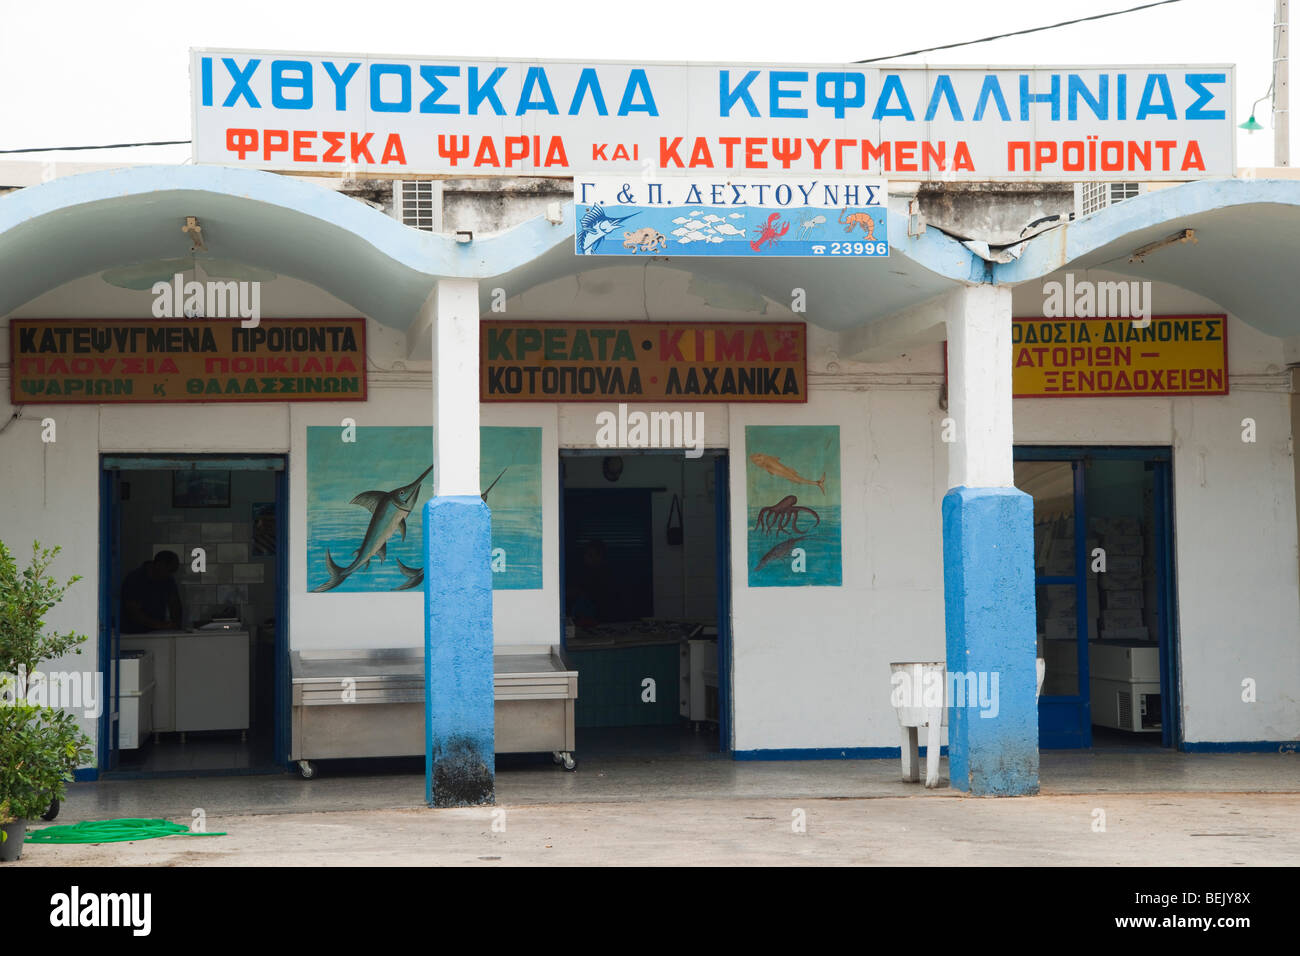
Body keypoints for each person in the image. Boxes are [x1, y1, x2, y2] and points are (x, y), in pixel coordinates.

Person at [121, 551, 183, 633]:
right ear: (159, 565)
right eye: (169, 570)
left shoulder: (168, 580)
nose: (170, 574)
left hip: (156, 633)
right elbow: (133, 611)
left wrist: (175, 625)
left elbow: (174, 604)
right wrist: (159, 625)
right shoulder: (135, 579)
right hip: (133, 633)